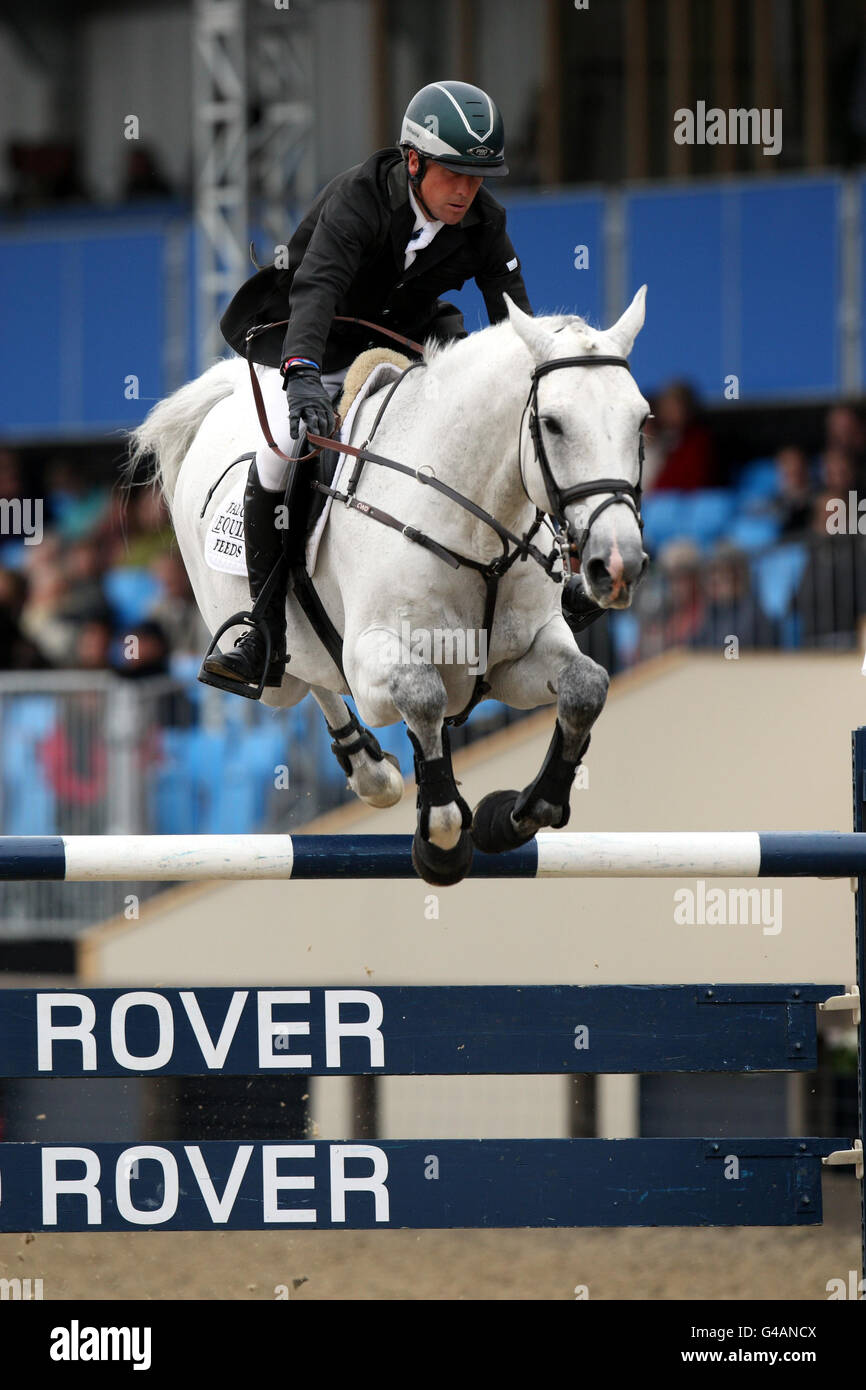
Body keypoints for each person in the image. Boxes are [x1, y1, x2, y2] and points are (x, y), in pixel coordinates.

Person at [205, 80, 537, 691]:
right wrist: (303, 376)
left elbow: (514, 318)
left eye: (478, 176)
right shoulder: (358, 199)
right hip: (320, 339)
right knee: (282, 449)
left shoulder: (486, 220)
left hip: (406, 343)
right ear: (414, 161)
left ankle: (539, 580)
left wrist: (534, 388)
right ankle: (262, 627)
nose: (466, 190)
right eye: (454, 174)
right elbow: (319, 287)